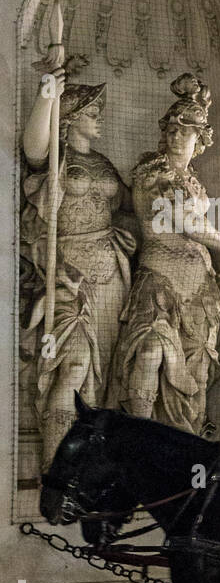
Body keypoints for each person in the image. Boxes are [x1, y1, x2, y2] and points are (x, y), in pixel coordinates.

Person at [105, 73, 220, 434]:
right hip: (160, 282)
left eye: (184, 130)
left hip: (200, 291)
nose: (174, 135)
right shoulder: (151, 173)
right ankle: (138, 440)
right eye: (170, 128)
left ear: (200, 139)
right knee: (150, 351)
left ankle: (185, 449)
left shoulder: (193, 180)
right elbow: (180, 219)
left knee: (195, 371)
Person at [20, 73, 137, 465]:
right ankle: (55, 465)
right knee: (72, 364)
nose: (99, 118)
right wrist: (48, 90)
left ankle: (86, 467)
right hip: (68, 274)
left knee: (101, 377)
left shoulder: (103, 164)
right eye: (91, 112)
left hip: (111, 276)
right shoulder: (56, 159)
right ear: (70, 119)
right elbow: (33, 147)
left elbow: (131, 211)